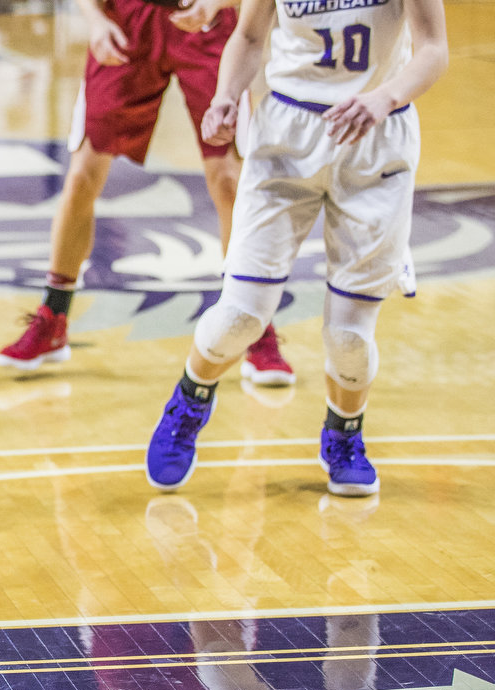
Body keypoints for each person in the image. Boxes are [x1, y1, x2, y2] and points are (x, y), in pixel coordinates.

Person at [144, 0, 447, 496]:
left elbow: (434, 49)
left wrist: (385, 97)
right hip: (287, 132)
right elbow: (248, 37)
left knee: (350, 337)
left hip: (377, 136)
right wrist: (225, 95)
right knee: (240, 316)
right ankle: (190, 399)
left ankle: (343, 435)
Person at [0, 0, 294, 386]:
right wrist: (95, 20)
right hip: (127, 22)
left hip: (207, 23)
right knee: (83, 174)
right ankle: (53, 316)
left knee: (229, 182)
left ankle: (255, 326)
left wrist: (216, 3)